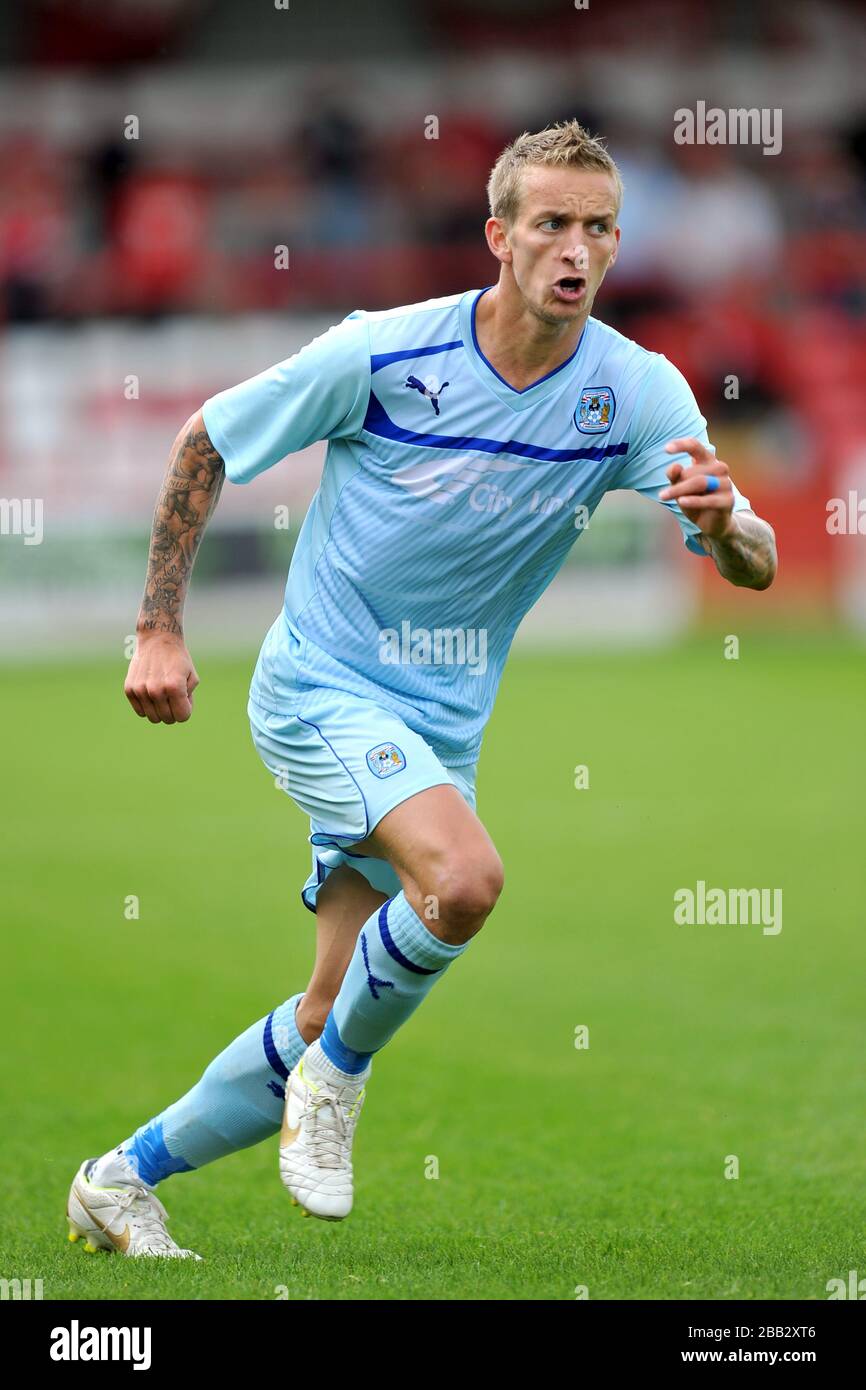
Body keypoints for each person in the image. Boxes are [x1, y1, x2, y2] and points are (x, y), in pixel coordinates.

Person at [66, 120, 776, 1258]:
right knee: (468, 878)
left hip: (441, 724)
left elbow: (751, 559)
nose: (575, 249)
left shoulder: (636, 389)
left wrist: (722, 525)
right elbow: (206, 438)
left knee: (323, 1005)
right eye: (550, 223)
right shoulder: (383, 352)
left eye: (598, 228)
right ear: (499, 235)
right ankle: (335, 1094)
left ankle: (119, 1177)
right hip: (319, 688)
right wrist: (155, 628)